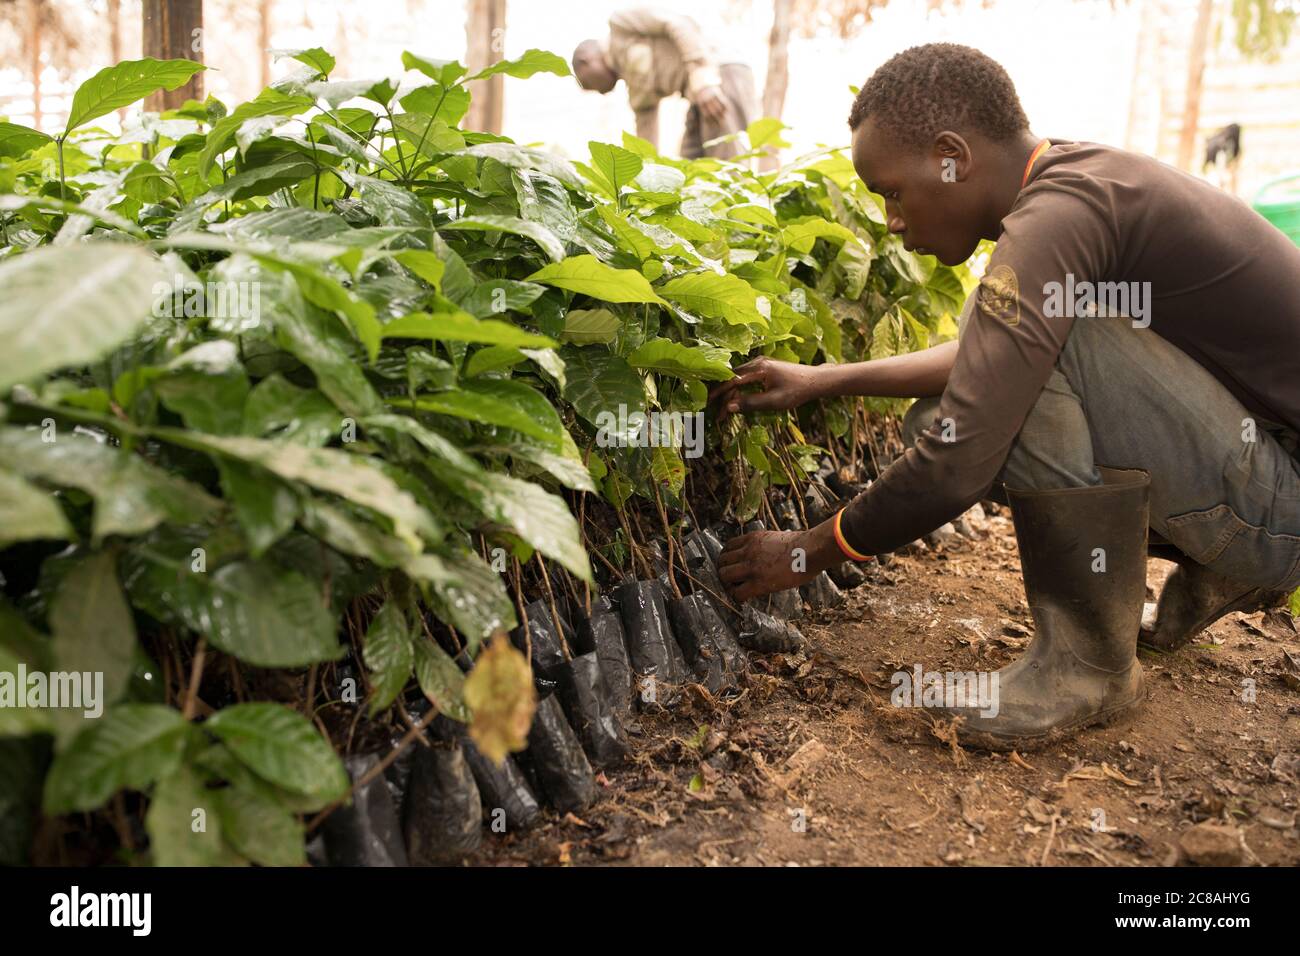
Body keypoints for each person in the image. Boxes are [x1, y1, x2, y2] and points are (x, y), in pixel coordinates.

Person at [709, 43, 1300, 751]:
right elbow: (1001, 361)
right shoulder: (1075, 184)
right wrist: (828, 378)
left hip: (1285, 505)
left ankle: (1085, 667)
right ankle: (1222, 568)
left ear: (951, 153)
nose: (892, 222)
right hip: (1273, 465)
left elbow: (960, 453)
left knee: (986, 404)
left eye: (893, 192)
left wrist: (810, 549)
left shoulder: (1060, 215)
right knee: (977, 377)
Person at [571, 7, 760, 160]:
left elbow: (679, 24)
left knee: (727, 161)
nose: (601, 92)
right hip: (697, 98)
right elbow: (645, 139)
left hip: (720, 73)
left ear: (586, 60)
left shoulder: (621, 25)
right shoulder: (633, 85)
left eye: (589, 84)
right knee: (692, 168)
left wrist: (704, 80)